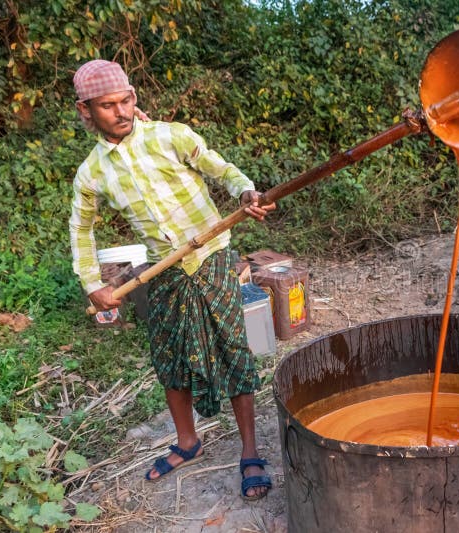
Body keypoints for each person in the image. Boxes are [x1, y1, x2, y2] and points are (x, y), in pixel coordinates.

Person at [69, 59, 275, 500]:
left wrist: (245, 192)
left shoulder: (171, 135)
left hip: (211, 258)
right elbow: (81, 230)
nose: (121, 112)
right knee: (168, 355)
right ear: (86, 112)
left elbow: (223, 169)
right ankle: (187, 441)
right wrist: (93, 283)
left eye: (127, 100)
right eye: (107, 106)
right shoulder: (92, 173)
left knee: (232, 348)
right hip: (163, 268)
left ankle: (250, 452)